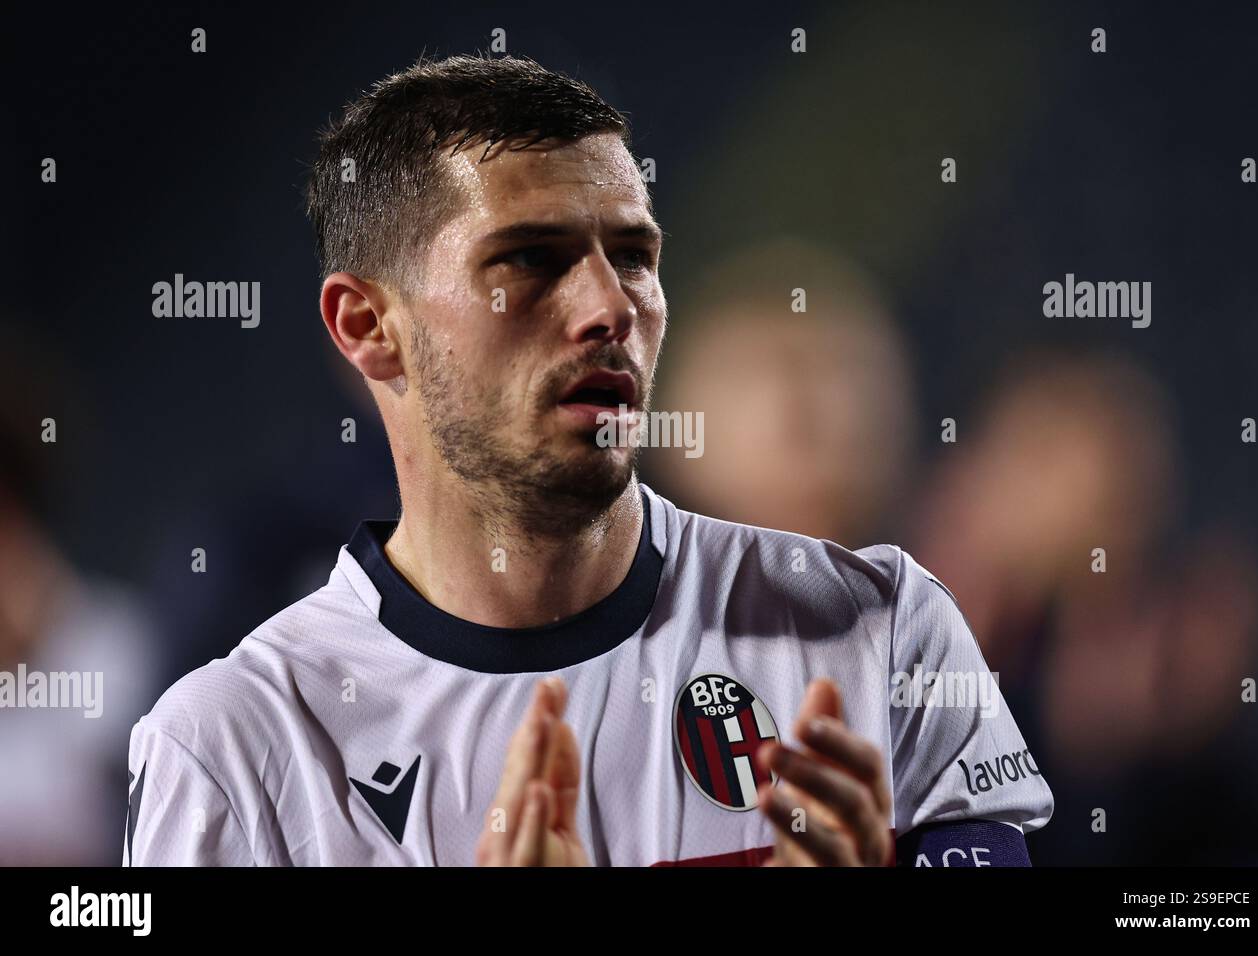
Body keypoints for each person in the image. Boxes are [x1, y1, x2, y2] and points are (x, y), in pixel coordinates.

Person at [124, 55, 1051, 867]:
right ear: (369, 327)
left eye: (634, 256)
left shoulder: (880, 631)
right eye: (530, 259)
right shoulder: (233, 754)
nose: (612, 306)